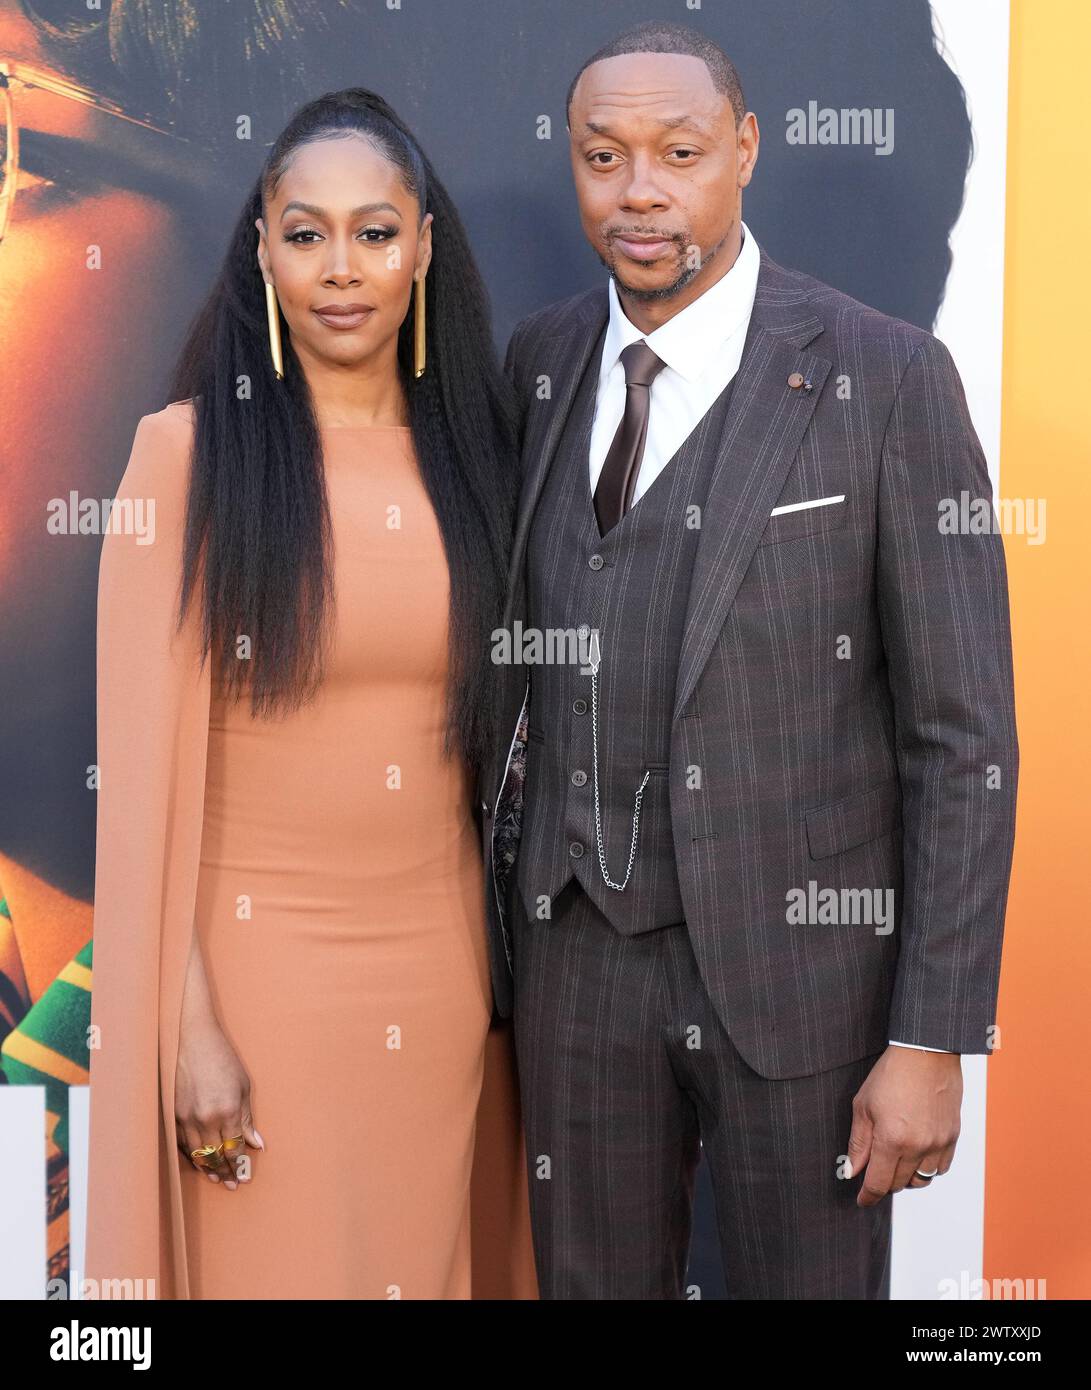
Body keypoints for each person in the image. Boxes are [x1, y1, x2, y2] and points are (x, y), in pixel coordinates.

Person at [484, 22, 1018, 1299]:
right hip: (576, 963)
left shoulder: (883, 376)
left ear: (744, 152)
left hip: (803, 984)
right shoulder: (542, 366)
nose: (640, 192)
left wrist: (930, 1036)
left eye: (677, 152)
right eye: (602, 157)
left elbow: (962, 740)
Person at [86, 87, 537, 1300]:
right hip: (256, 988)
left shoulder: (482, 466)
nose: (342, 269)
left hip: (441, 994)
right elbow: (133, 795)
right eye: (306, 232)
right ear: (263, 251)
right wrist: (183, 1028)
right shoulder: (185, 459)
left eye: (375, 232)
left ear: (423, 248)